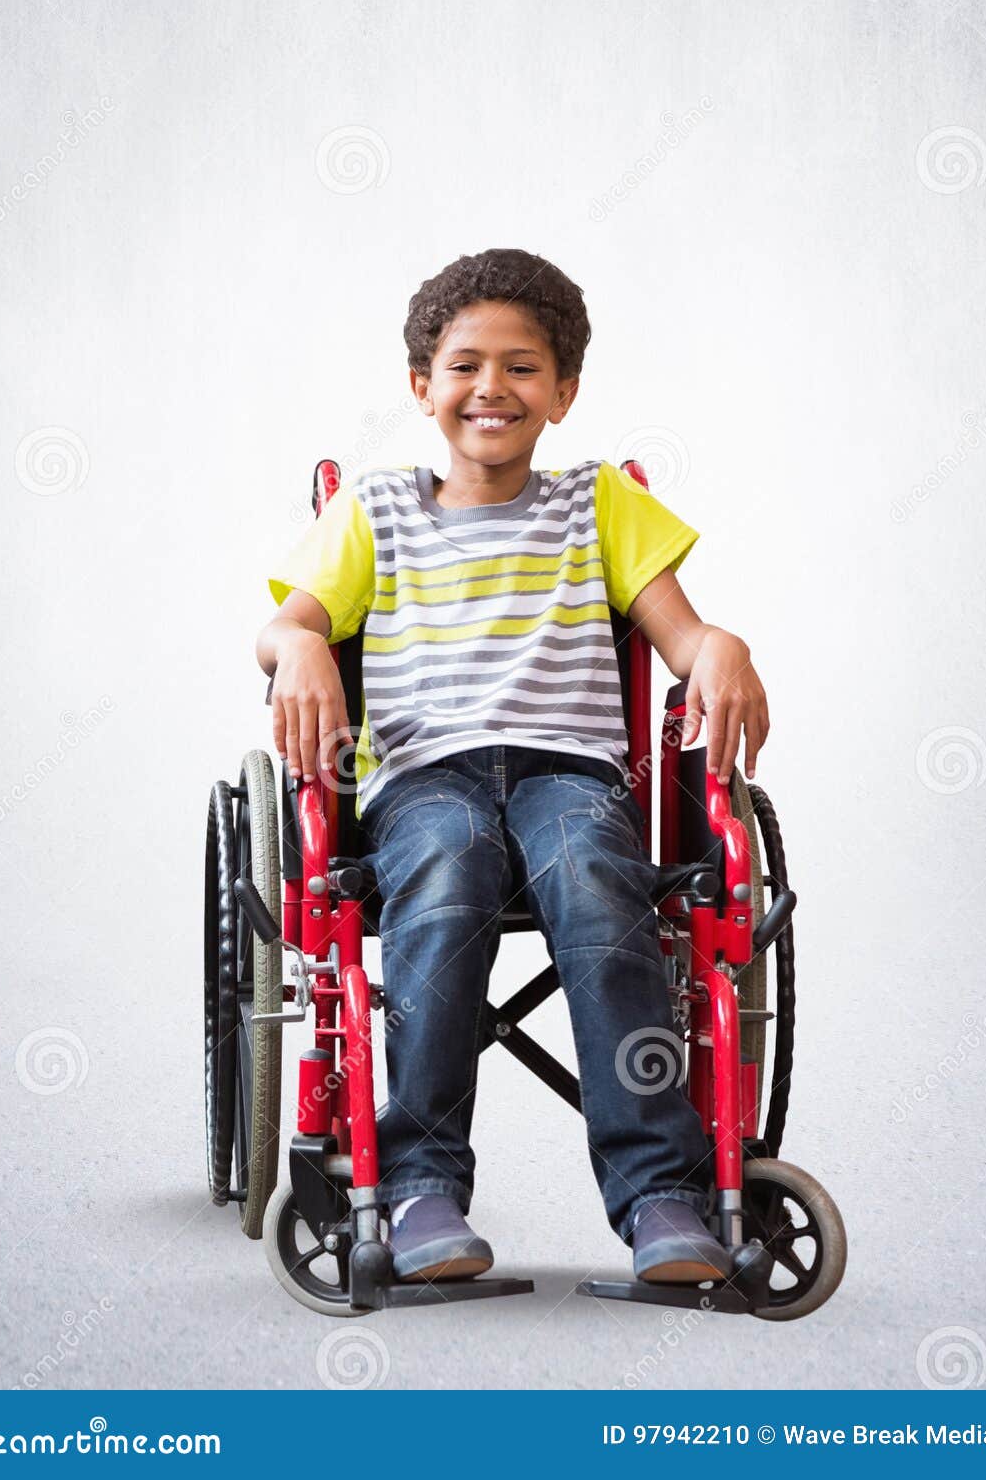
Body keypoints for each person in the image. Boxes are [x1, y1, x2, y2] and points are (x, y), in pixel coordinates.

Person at [256, 248, 769, 1286]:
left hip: (570, 776)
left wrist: (723, 646)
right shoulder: (375, 510)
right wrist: (301, 643)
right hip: (422, 781)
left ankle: (664, 1194)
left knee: (595, 881)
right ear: (422, 386)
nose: (492, 388)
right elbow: (286, 624)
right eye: (465, 365)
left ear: (564, 392)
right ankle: (420, 1185)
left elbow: (683, 638)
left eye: (524, 368)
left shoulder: (598, 505)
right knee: (443, 875)